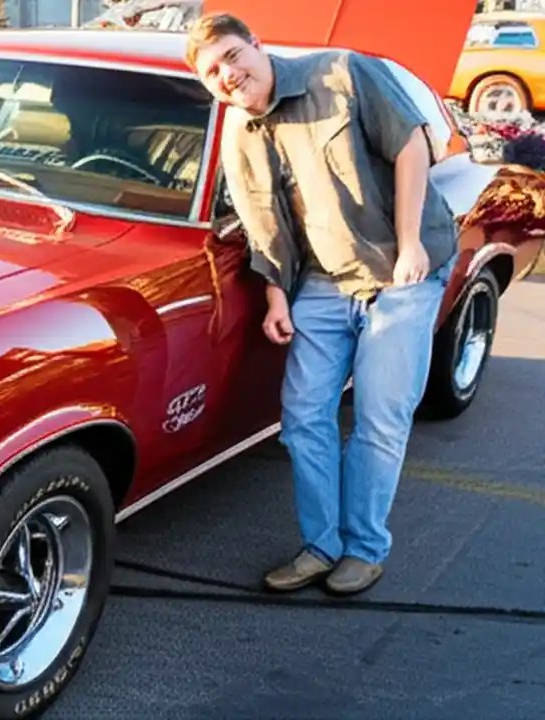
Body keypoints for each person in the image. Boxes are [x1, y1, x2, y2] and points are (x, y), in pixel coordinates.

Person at [184, 13, 458, 595]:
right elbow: (266, 224)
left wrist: (410, 244)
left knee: (380, 419)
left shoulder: (341, 73)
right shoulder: (239, 133)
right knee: (304, 415)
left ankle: (364, 548)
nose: (228, 75)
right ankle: (321, 544)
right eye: (213, 72)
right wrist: (276, 298)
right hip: (323, 281)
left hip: (400, 273)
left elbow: (411, 147)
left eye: (233, 56)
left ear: (256, 45)